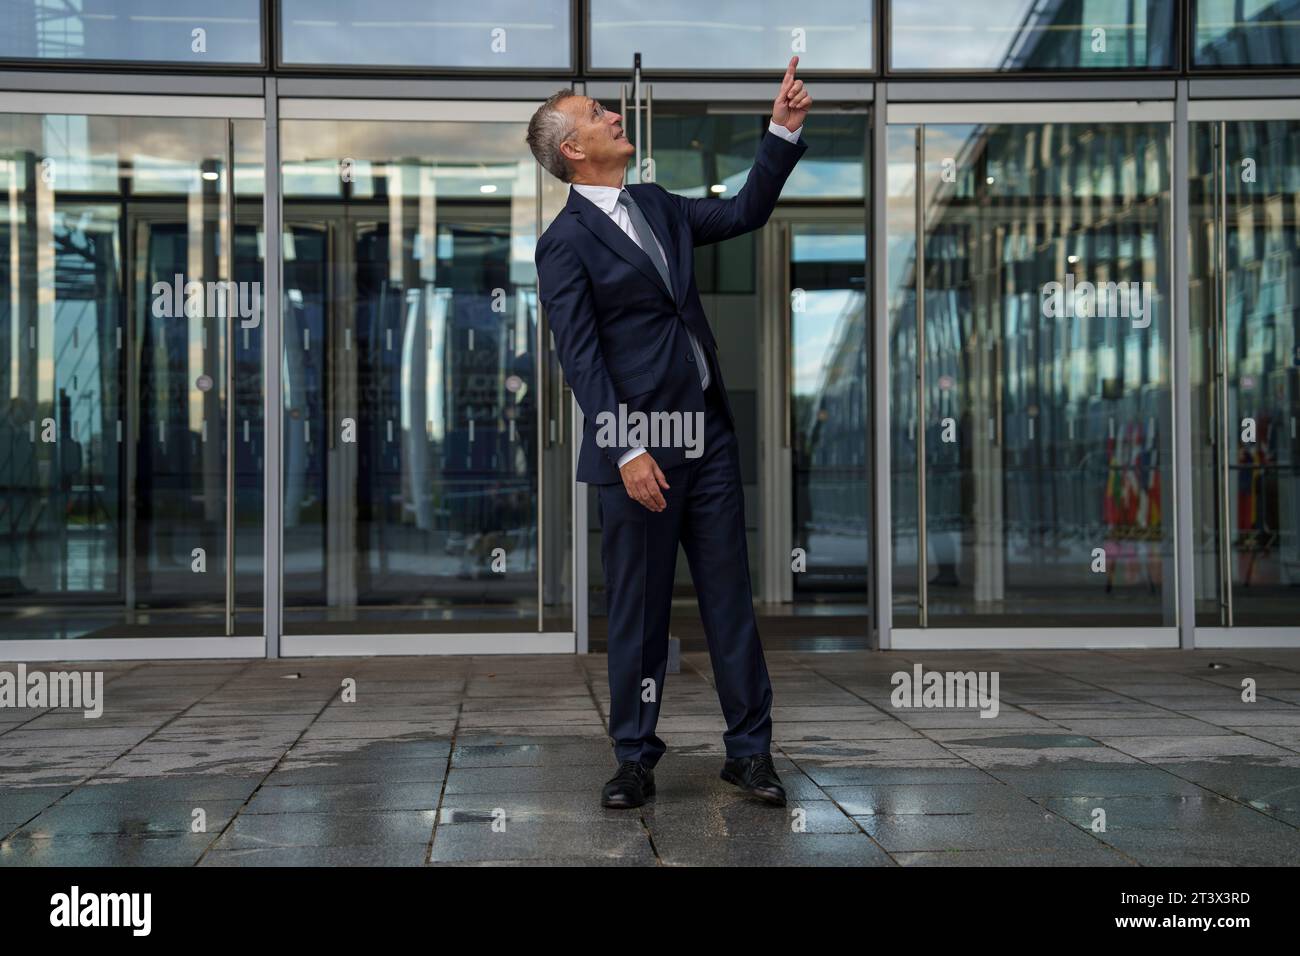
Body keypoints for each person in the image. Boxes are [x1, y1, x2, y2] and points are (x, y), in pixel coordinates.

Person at [528, 58, 811, 809]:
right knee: (639, 610)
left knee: (729, 602)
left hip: (707, 438)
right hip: (640, 449)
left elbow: (747, 211)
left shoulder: (657, 205)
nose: (615, 117)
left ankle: (750, 754)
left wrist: (780, 131)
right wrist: (626, 449)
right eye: (597, 115)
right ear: (573, 151)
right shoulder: (563, 245)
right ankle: (634, 756)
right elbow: (581, 358)